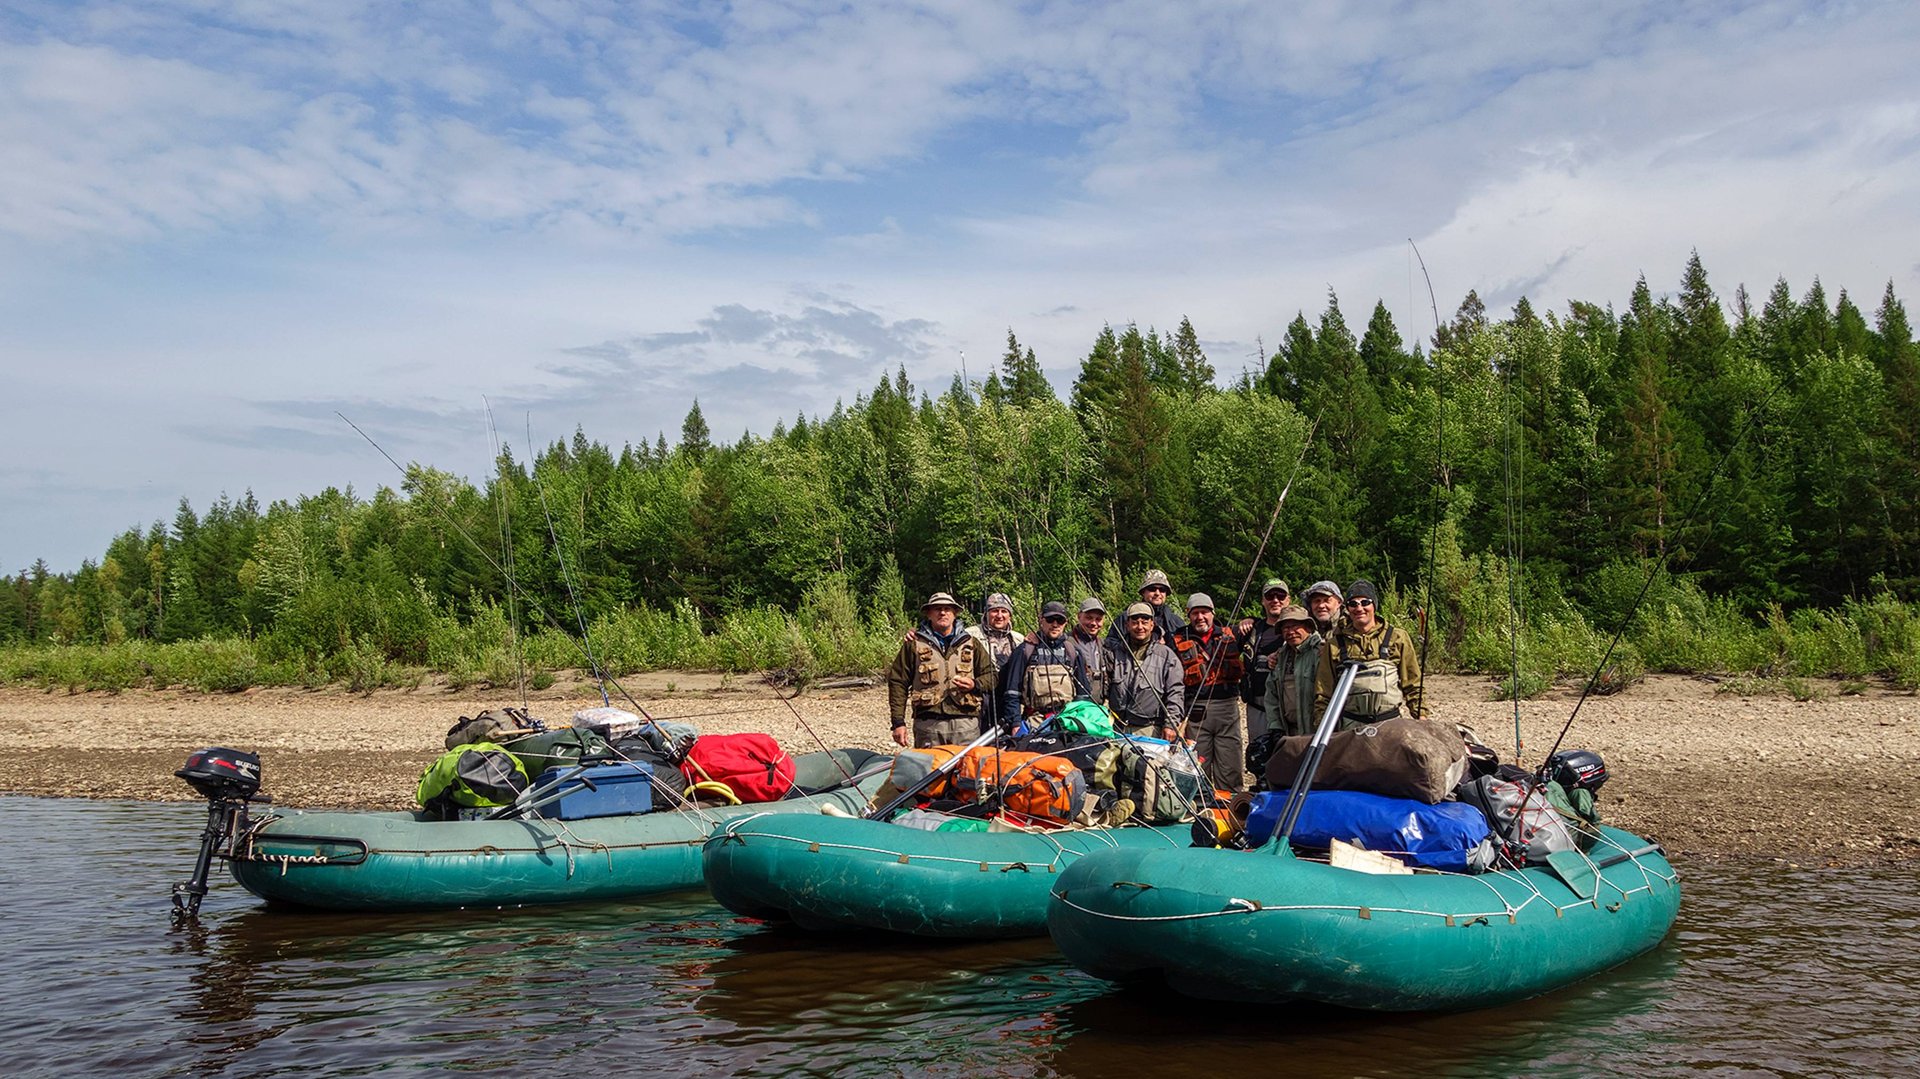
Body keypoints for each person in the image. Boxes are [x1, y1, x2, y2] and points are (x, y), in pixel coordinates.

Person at [885, 592, 997, 748]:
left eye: (947, 609)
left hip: (966, 724)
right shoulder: (913, 644)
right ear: (929, 614)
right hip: (928, 725)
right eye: (937, 609)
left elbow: (992, 676)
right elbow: (898, 682)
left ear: (955, 614)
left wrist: (974, 684)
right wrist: (898, 722)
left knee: (968, 764)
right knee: (929, 764)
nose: (943, 613)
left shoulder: (972, 643)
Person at [1311, 579, 1426, 730]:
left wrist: (1421, 715)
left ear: (1374, 606)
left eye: (1365, 602)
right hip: (1351, 726)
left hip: (1390, 724)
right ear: (1347, 608)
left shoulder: (1397, 637)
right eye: (1353, 604)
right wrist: (1321, 725)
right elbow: (1323, 691)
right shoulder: (1334, 644)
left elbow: (1412, 682)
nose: (1359, 608)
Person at [1172, 593, 1246, 792]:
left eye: (1204, 612)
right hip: (1195, 710)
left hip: (1227, 708)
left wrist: (1251, 619)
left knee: (1230, 762)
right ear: (1188, 615)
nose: (1200, 617)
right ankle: (1199, 803)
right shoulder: (1177, 638)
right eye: (1195, 613)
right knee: (1197, 765)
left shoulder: (1232, 634)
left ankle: (1229, 801)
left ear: (1213, 613)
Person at [1104, 601, 1184, 738]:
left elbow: (1175, 692)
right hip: (1115, 728)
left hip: (1150, 729)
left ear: (1152, 625)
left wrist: (1171, 724)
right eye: (1135, 622)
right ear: (1127, 625)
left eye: (1144, 622)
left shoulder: (1167, 656)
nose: (1140, 627)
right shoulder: (1114, 653)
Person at [1000, 600, 1088, 726]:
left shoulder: (1073, 652)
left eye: (1060, 620)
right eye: (1050, 619)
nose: (1055, 624)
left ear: (1066, 623)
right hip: (1034, 721)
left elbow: (1083, 695)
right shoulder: (1025, 650)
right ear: (1041, 620)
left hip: (1067, 720)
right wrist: (1015, 724)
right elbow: (1012, 692)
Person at [1236, 578, 1292, 744]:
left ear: (1288, 600)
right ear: (1263, 601)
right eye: (1270, 596)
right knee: (1259, 752)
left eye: (1280, 596)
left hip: (1289, 703)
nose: (1275, 600)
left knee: (1291, 750)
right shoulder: (1251, 630)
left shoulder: (1299, 629)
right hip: (1258, 706)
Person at [1260, 604, 1323, 738]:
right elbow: (1271, 695)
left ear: (1308, 627)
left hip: (1317, 732)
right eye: (1286, 628)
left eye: (1295, 626)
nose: (1290, 632)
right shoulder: (1280, 657)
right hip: (1289, 733)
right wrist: (1276, 727)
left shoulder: (1321, 652)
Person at [976, 593, 1021, 732]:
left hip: (1008, 702)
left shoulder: (1019, 639)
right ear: (986, 613)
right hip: (980, 702)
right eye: (995, 611)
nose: (999, 615)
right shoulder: (970, 635)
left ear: (1010, 615)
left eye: (1004, 611)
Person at [1106, 569, 1184, 648]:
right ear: (1143, 592)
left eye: (1162, 590)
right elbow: (1110, 644)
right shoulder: (1126, 617)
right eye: (1152, 589)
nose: (1157, 593)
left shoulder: (1176, 622)